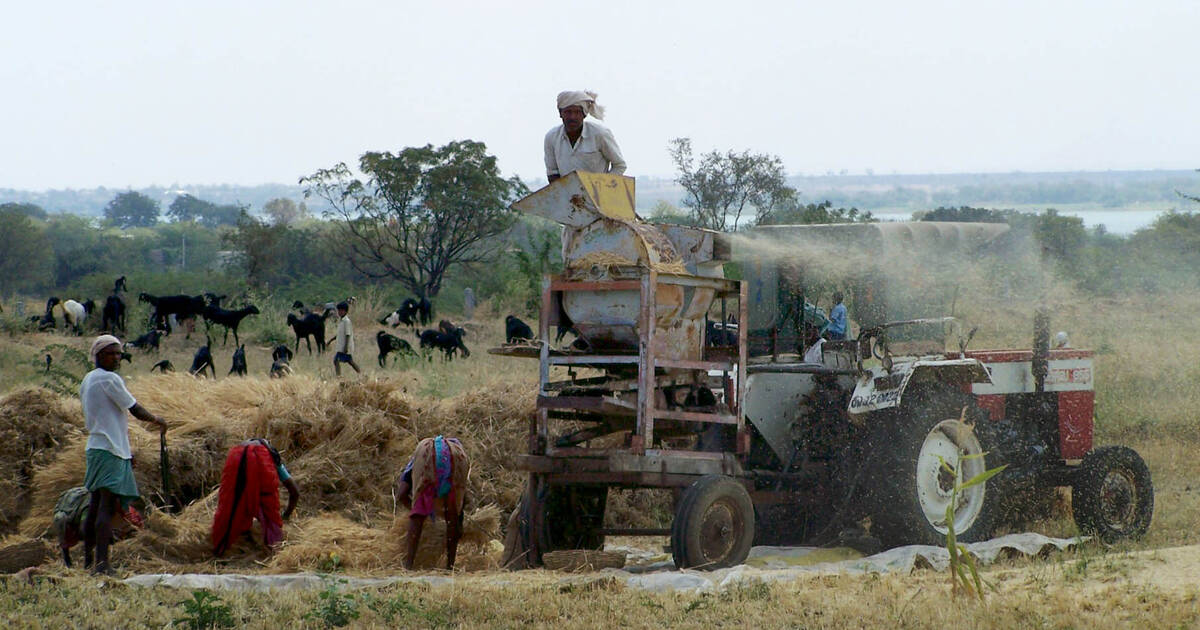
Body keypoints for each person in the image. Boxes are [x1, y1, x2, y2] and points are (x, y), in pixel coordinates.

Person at [80, 334, 168, 574]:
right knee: (106, 509)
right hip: (110, 449)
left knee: (95, 505)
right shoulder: (110, 379)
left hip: (95, 447)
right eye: (112, 353)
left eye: (119, 353)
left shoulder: (88, 379)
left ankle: (88, 561)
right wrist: (158, 420)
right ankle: (102, 565)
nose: (117, 358)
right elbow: (135, 409)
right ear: (99, 356)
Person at [211, 438, 300, 556]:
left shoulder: (239, 451)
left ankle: (220, 549)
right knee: (268, 505)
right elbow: (295, 492)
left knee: (230, 506)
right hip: (260, 459)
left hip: (235, 458)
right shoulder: (272, 458)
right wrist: (286, 515)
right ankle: (274, 550)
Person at [394, 436, 470, 570]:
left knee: (418, 514)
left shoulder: (413, 464)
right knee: (453, 516)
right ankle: (450, 567)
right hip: (457, 458)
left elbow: (401, 495)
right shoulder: (458, 454)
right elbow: (462, 507)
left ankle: (408, 566)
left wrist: (416, 511)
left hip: (427, 456)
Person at [544, 90, 626, 184]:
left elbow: (619, 165)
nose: (572, 117)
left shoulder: (600, 134)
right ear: (560, 113)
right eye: (568, 112)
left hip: (598, 195)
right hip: (567, 196)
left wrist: (603, 187)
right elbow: (552, 173)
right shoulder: (552, 137)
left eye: (577, 112)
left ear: (584, 114)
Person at [53, 486, 144, 568]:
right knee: (65, 524)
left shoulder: (125, 508)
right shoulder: (90, 507)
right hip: (71, 518)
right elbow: (84, 530)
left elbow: (135, 523)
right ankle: (75, 561)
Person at [331, 301, 361, 376]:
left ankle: (339, 376)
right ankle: (360, 373)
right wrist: (330, 341)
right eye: (339, 310)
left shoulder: (346, 321)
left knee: (336, 360)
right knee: (350, 361)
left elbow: (348, 334)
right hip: (341, 346)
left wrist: (346, 347)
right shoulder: (341, 321)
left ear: (346, 311)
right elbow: (339, 334)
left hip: (345, 347)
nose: (339, 312)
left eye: (341, 310)